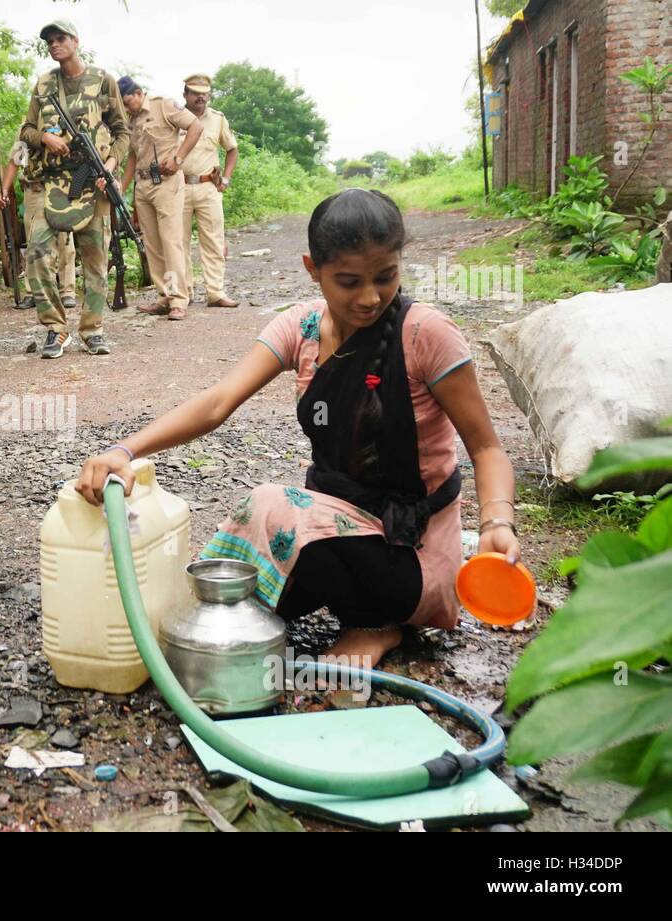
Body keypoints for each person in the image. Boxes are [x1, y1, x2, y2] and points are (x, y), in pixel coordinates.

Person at [76, 190, 521, 667]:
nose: (370, 298)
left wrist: (497, 523)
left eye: (385, 277)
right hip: (333, 541)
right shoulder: (301, 328)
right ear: (313, 268)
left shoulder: (425, 334)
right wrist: (125, 450)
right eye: (349, 282)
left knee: (275, 506)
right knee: (239, 578)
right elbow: (218, 402)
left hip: (410, 558)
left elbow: (487, 449)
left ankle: (381, 626)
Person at [19, 20, 130, 359]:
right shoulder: (44, 84)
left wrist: (109, 166)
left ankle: (92, 329)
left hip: (93, 181)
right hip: (53, 183)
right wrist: (44, 137)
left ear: (76, 41)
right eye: (50, 41)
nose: (54, 44)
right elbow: (26, 130)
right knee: (37, 252)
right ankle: (56, 328)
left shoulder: (103, 80)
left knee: (95, 259)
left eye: (61, 38)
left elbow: (122, 132)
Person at [120, 77, 203, 321]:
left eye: (127, 102)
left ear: (138, 93)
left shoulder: (163, 105)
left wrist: (178, 158)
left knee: (171, 241)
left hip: (166, 183)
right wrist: (123, 188)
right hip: (143, 184)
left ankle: (179, 299)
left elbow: (195, 126)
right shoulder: (130, 119)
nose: (126, 108)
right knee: (153, 244)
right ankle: (164, 296)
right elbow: (133, 156)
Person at [0, 128, 78, 311]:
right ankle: (34, 292)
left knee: (65, 240)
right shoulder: (26, 130)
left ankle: (67, 291)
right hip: (34, 189)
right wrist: (4, 189)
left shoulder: (64, 123)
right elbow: (15, 160)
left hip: (61, 188)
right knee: (33, 241)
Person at [178, 74, 239, 309]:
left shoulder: (217, 119)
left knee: (213, 240)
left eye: (204, 93)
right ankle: (184, 293)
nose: (200, 97)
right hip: (179, 187)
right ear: (185, 95)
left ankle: (215, 292)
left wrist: (226, 179)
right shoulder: (175, 117)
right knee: (178, 242)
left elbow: (232, 149)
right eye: (195, 93)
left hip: (208, 186)